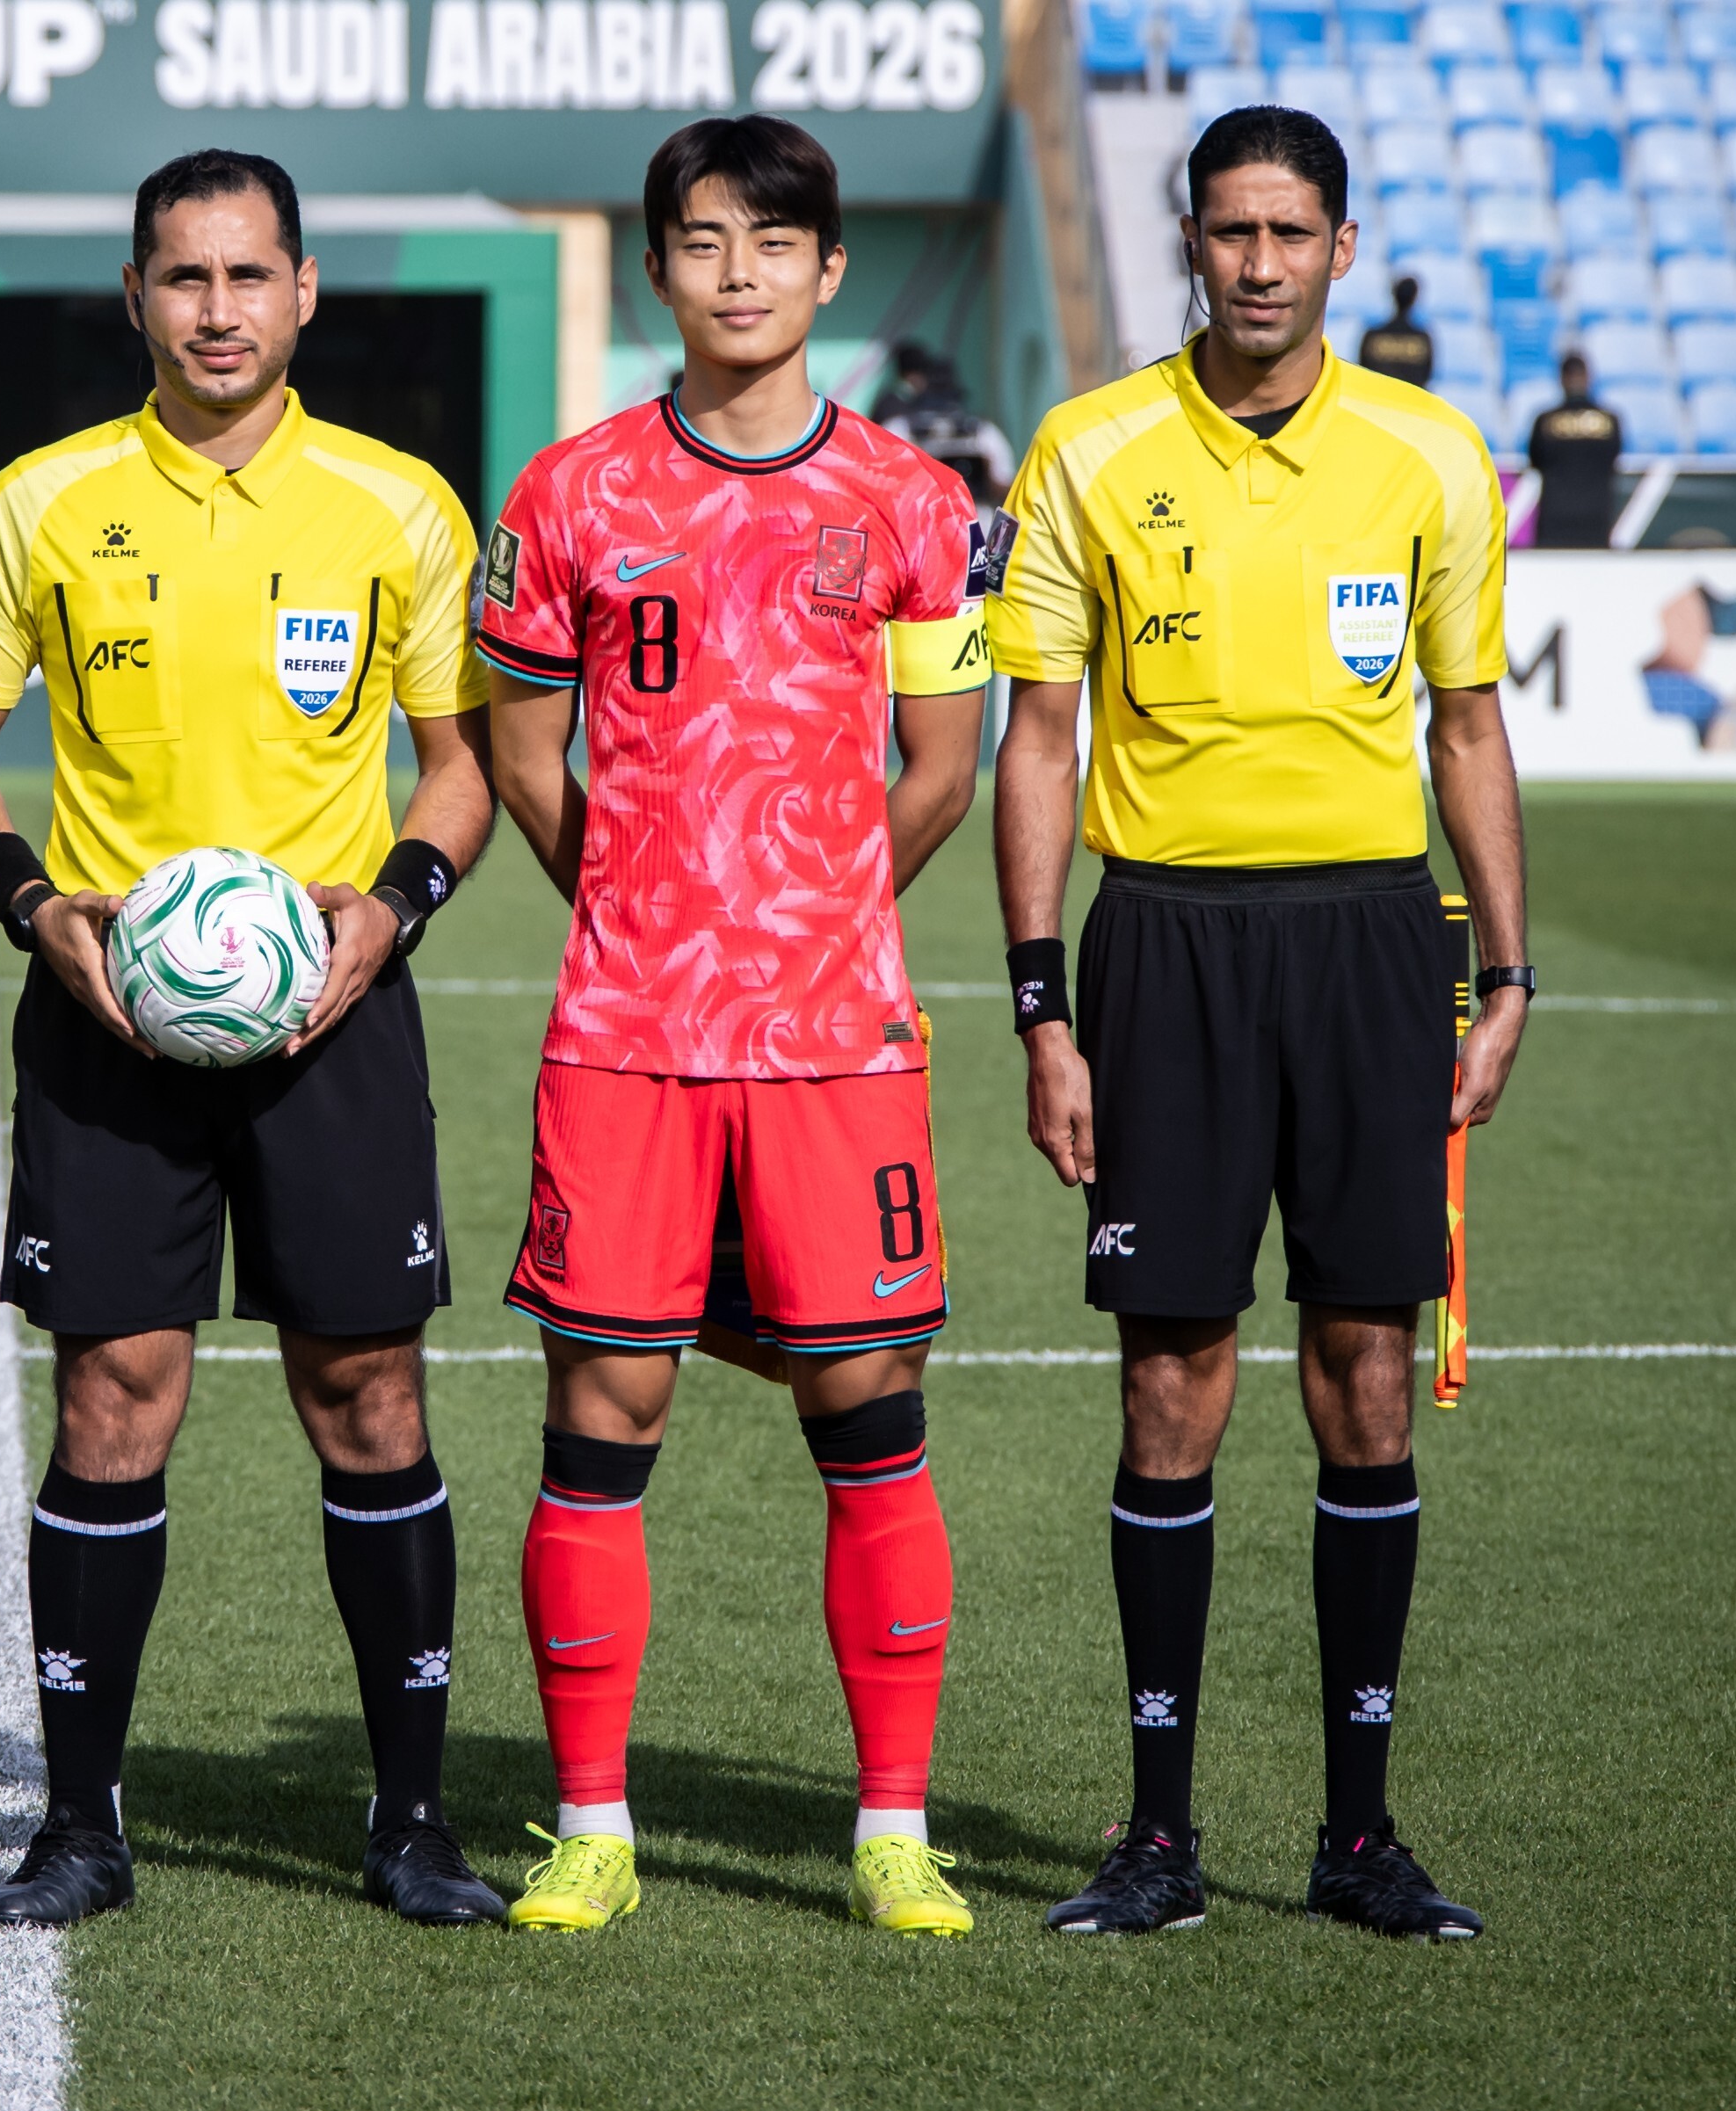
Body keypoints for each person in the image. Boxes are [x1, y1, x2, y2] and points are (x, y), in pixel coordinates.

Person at [0, 148, 505, 1930]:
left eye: (250, 276)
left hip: (334, 1017)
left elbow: (461, 766)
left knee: (367, 1392)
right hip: (112, 1016)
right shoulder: (40, 502)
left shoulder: (396, 506)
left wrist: (387, 912)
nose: (219, 309)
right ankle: (77, 1824)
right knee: (113, 1399)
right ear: (136, 296)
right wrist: (39, 911)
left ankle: (409, 1822)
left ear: (304, 292)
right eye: (185, 277)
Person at [991, 106, 1527, 1940]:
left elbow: (1467, 726)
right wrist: (1040, 1000)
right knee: (1171, 1377)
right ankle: (1159, 1833)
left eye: (1289, 231)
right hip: (1167, 949)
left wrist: (1507, 970)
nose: (1259, 261)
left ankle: (1357, 1833)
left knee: (1368, 1367)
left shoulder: (1430, 455)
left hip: (1375, 943)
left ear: (1340, 247)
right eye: (1228, 231)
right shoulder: (1090, 449)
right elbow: (1038, 740)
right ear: (1191, 246)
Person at [472, 115, 992, 1941]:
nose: (739, 272)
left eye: (773, 244)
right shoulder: (569, 494)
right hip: (625, 1036)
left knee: (867, 1407)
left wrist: (822, 908)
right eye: (702, 242)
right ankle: (592, 1819)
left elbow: (944, 761)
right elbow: (526, 751)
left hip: (837, 1041)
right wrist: (635, 907)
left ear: (827, 272)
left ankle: (892, 1827)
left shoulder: (915, 504)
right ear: (658, 268)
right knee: (603, 1411)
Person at [1525, 352, 1624, 548]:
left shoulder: (1545, 421)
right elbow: (1614, 459)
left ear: (1562, 379)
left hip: (1554, 520)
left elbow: (1535, 461)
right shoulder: (1610, 421)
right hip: (1597, 520)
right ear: (1588, 378)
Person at [1356, 275, 1434, 388]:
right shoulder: (1422, 338)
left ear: (1393, 295)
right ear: (1414, 298)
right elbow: (1426, 376)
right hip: (1409, 403)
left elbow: (1362, 370)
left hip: (1376, 401)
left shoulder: (1373, 335)